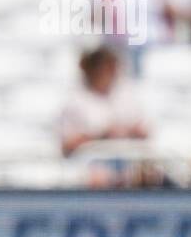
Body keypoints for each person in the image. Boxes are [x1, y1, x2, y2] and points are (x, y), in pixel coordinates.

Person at [59, 46, 149, 188]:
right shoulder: (75, 100)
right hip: (90, 164)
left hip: (127, 161)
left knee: (147, 175)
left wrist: (127, 131)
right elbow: (67, 145)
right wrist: (101, 135)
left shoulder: (125, 95)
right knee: (100, 178)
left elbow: (144, 131)